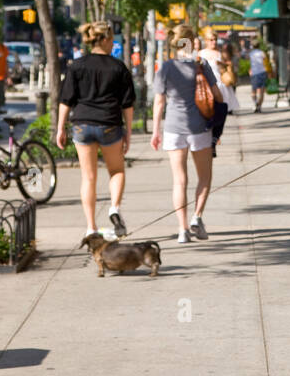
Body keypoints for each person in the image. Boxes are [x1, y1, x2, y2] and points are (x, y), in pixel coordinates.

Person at [57, 20, 136, 240]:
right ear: (105, 39)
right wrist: (128, 132)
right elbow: (127, 104)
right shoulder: (118, 67)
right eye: (112, 39)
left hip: (82, 123)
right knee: (117, 171)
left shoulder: (77, 65)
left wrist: (60, 128)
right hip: (110, 124)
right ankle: (114, 208)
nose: (113, 44)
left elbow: (66, 99)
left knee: (88, 177)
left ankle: (91, 227)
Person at [151, 22, 223, 241]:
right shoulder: (201, 65)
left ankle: (182, 230)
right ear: (192, 42)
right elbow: (218, 96)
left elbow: (159, 103)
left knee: (179, 180)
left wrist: (156, 132)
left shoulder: (165, 68)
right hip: (199, 127)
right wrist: (218, 126)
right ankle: (196, 217)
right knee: (205, 177)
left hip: (173, 128)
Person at [200, 29, 239, 114]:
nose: (213, 42)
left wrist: (222, 64)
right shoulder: (201, 54)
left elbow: (230, 64)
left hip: (220, 85)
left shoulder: (221, 53)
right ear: (206, 41)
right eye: (211, 40)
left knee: (220, 112)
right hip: (206, 86)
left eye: (215, 40)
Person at [249, 37, 267, 112]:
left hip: (254, 73)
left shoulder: (251, 53)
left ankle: (255, 103)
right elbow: (266, 60)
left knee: (254, 91)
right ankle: (259, 106)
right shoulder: (262, 53)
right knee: (262, 92)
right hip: (262, 72)